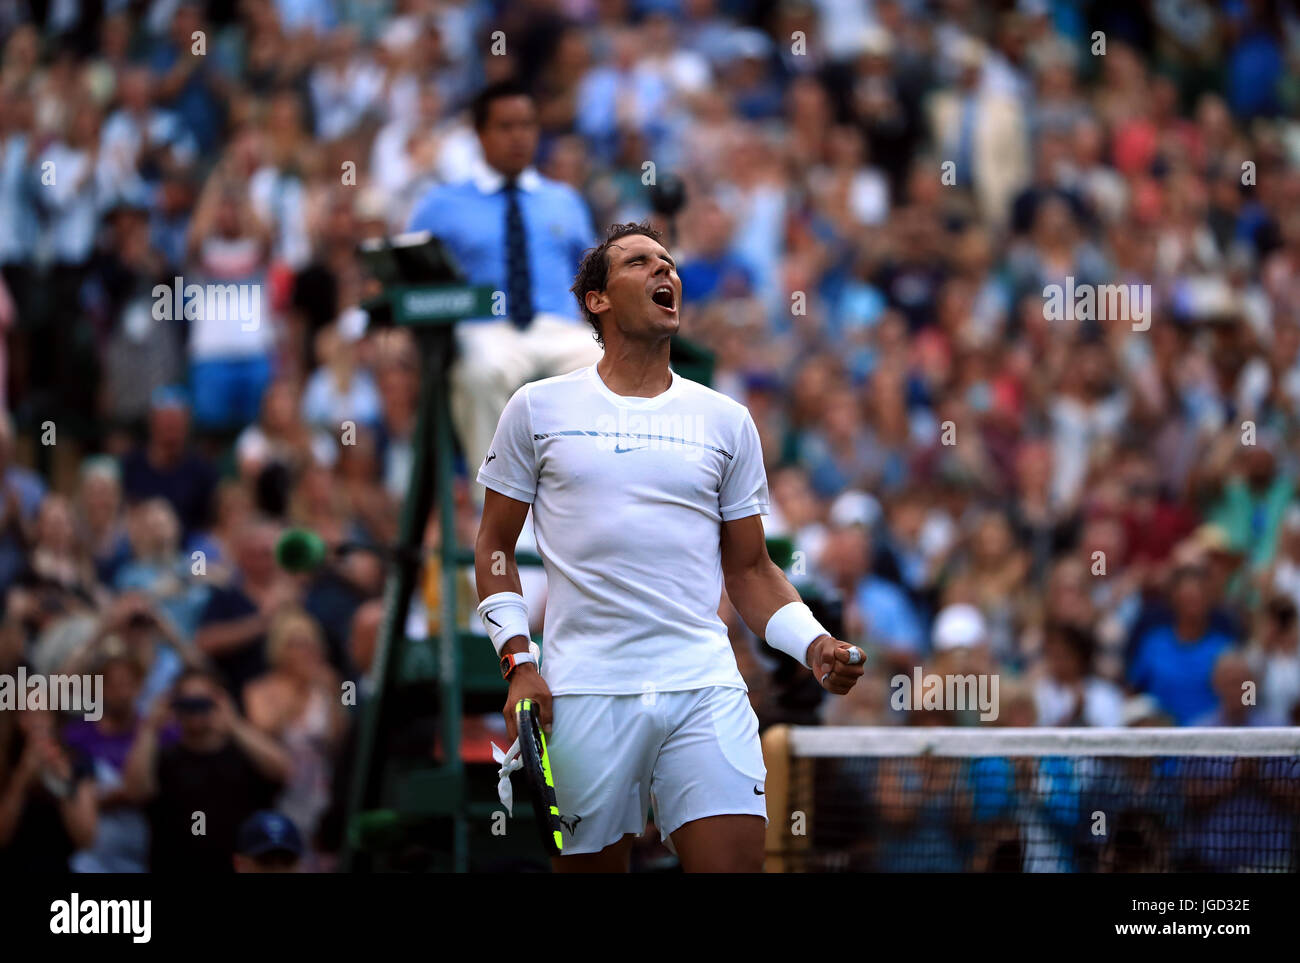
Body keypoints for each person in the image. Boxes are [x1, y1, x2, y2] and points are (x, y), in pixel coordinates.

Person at [474, 221, 864, 873]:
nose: (665, 270)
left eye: (668, 262)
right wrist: (519, 662)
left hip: (703, 686)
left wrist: (814, 642)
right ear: (597, 299)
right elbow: (493, 547)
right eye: (639, 262)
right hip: (585, 691)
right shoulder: (536, 409)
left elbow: (751, 569)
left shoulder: (727, 420)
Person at [407, 79, 603, 501]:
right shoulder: (441, 205)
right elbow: (407, 277)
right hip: (485, 328)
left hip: (559, 328)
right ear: (480, 134)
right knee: (480, 371)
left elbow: (595, 277)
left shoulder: (565, 200)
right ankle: (497, 512)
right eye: (506, 126)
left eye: (527, 125)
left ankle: (588, 499)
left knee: (607, 363)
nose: (519, 137)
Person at [123, 667, 290, 873]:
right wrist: (149, 728)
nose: (195, 711)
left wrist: (233, 724)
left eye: (203, 702)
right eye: (187, 703)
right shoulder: (163, 757)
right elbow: (135, 792)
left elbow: (282, 770)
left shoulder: (243, 753)